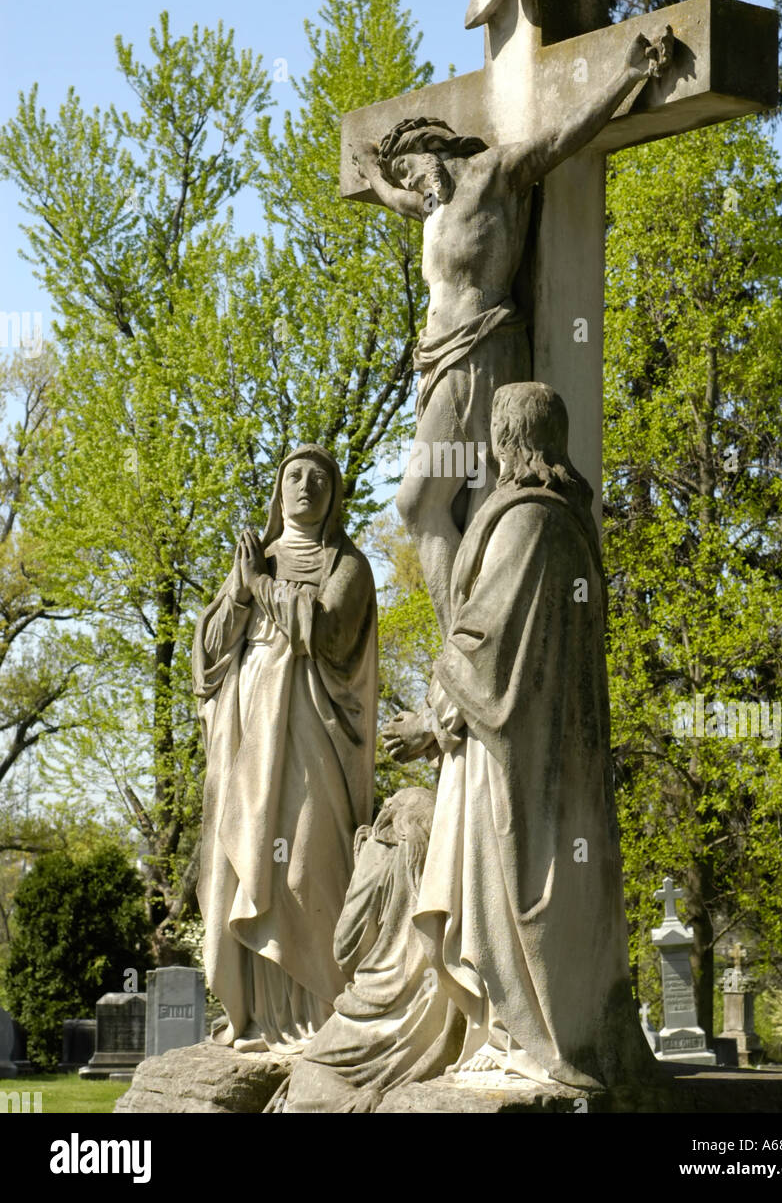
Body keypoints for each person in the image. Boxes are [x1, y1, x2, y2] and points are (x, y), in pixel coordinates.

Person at [353, 26, 674, 636]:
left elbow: (562, 136)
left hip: (484, 348)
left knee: (421, 500)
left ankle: (466, 644)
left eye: (412, 168)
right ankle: (472, 644)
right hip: (438, 363)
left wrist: (628, 75)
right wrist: (372, 166)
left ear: (434, 150)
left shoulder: (494, 173)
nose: (411, 183)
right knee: (461, 501)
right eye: (405, 177)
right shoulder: (430, 206)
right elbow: (389, 194)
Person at [383, 384, 652, 1088]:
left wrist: (432, 716)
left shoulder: (528, 522)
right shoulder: (567, 523)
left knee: (513, 878)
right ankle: (523, 1031)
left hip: (510, 755)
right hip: (543, 752)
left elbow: (484, 643)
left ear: (507, 442)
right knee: (536, 880)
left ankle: (528, 1038)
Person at [193, 445, 377, 1052]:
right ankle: (262, 1021)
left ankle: (323, 1016)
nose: (305, 485)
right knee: (256, 862)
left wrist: (262, 589)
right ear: (278, 492)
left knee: (306, 863)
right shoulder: (257, 560)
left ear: (334, 495)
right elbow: (212, 658)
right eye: (294, 476)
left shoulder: (347, 565)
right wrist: (244, 593)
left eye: (319, 477)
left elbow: (328, 631)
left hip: (313, 737)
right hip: (250, 738)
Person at [268, 788, 463, 1113]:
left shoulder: (383, 850)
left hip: (370, 1017)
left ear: (391, 817)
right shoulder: (455, 864)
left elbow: (346, 949)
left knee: (308, 1078)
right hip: (435, 1025)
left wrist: (366, 862)